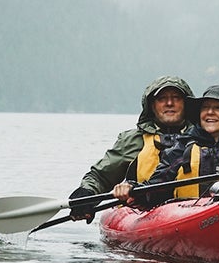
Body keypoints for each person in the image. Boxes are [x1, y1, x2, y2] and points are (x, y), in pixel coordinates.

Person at [66, 75, 194, 220]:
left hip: (194, 210)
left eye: (176, 98)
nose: (169, 103)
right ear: (152, 106)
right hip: (143, 212)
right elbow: (101, 176)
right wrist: (86, 193)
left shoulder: (206, 138)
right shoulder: (133, 140)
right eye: (162, 98)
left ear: (186, 104)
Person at [133, 84, 219, 207]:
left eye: (218, 108)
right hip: (189, 216)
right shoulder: (181, 147)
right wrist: (132, 189)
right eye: (205, 107)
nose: (210, 112)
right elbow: (155, 187)